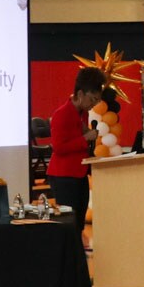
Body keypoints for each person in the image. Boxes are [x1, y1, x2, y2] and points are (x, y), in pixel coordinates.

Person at [45, 65, 105, 230]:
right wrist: (85, 138)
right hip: (64, 176)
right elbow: (59, 147)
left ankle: (77, 255)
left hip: (79, 173)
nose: (93, 105)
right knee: (68, 224)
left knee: (78, 223)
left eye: (97, 101)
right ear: (80, 94)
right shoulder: (61, 114)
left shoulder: (83, 114)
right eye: (92, 100)